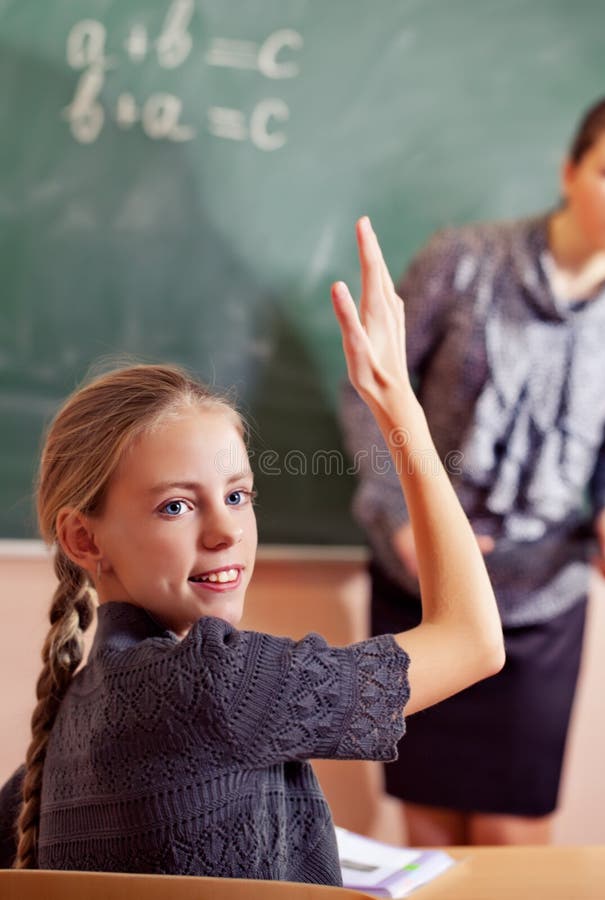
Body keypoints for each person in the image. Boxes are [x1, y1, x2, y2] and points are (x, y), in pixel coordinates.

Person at [0, 218, 503, 882]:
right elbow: (473, 640)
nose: (225, 531)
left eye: (238, 495)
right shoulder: (209, 683)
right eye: (176, 505)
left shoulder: (64, 727)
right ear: (83, 538)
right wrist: (398, 408)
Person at [340, 93, 605, 847]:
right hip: (421, 586)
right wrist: (399, 518)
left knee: (512, 838)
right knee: (424, 825)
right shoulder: (461, 261)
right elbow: (367, 391)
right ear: (570, 170)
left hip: (539, 610)